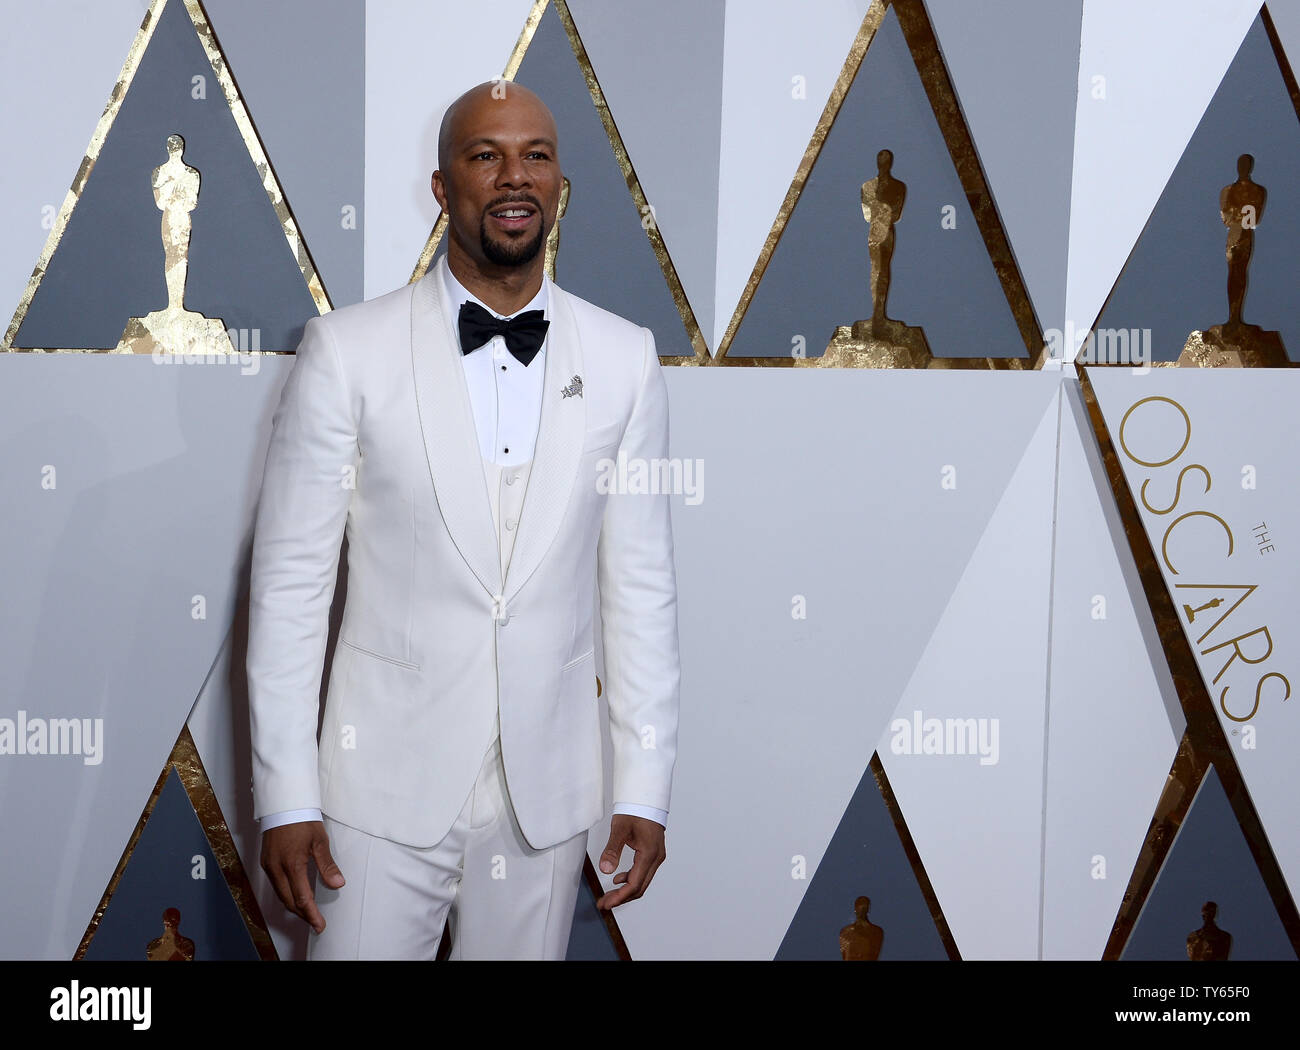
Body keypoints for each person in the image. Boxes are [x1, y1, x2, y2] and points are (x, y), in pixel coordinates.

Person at [245, 79, 680, 960]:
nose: (513, 177)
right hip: (377, 788)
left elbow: (641, 589)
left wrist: (646, 782)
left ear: (559, 184)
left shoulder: (627, 358)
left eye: (536, 156)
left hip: (545, 797)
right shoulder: (347, 351)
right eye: (485, 156)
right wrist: (286, 796)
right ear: (443, 188)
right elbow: (290, 586)